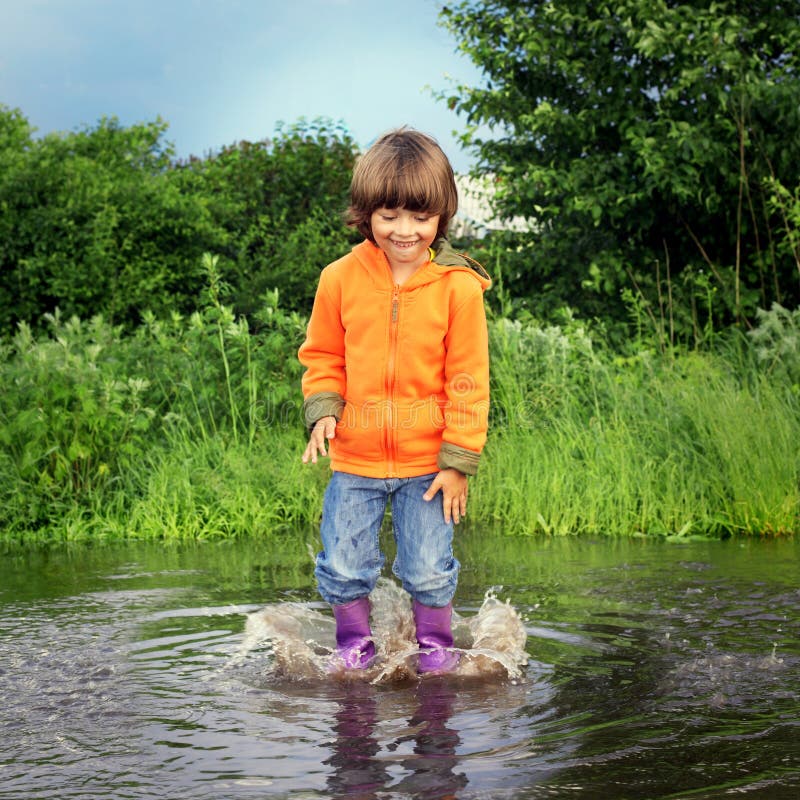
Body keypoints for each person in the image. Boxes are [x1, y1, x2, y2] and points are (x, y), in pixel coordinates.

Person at [298, 127, 491, 673]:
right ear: (366, 213)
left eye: (419, 217)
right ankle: (353, 653)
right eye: (388, 215)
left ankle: (435, 656)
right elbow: (322, 357)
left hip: (428, 465)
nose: (404, 230)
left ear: (441, 215)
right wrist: (324, 411)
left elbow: (469, 381)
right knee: (341, 565)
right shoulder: (338, 278)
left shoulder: (458, 288)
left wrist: (458, 463)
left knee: (429, 570)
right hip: (355, 461)